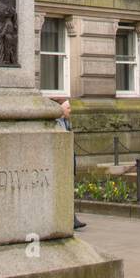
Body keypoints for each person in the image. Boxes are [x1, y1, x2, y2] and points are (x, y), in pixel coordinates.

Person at [56, 98, 86, 231]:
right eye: (68, 108)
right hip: (61, 164)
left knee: (68, 191)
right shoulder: (57, 124)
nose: (70, 110)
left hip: (69, 162)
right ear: (61, 109)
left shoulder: (66, 122)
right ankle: (71, 220)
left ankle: (72, 219)